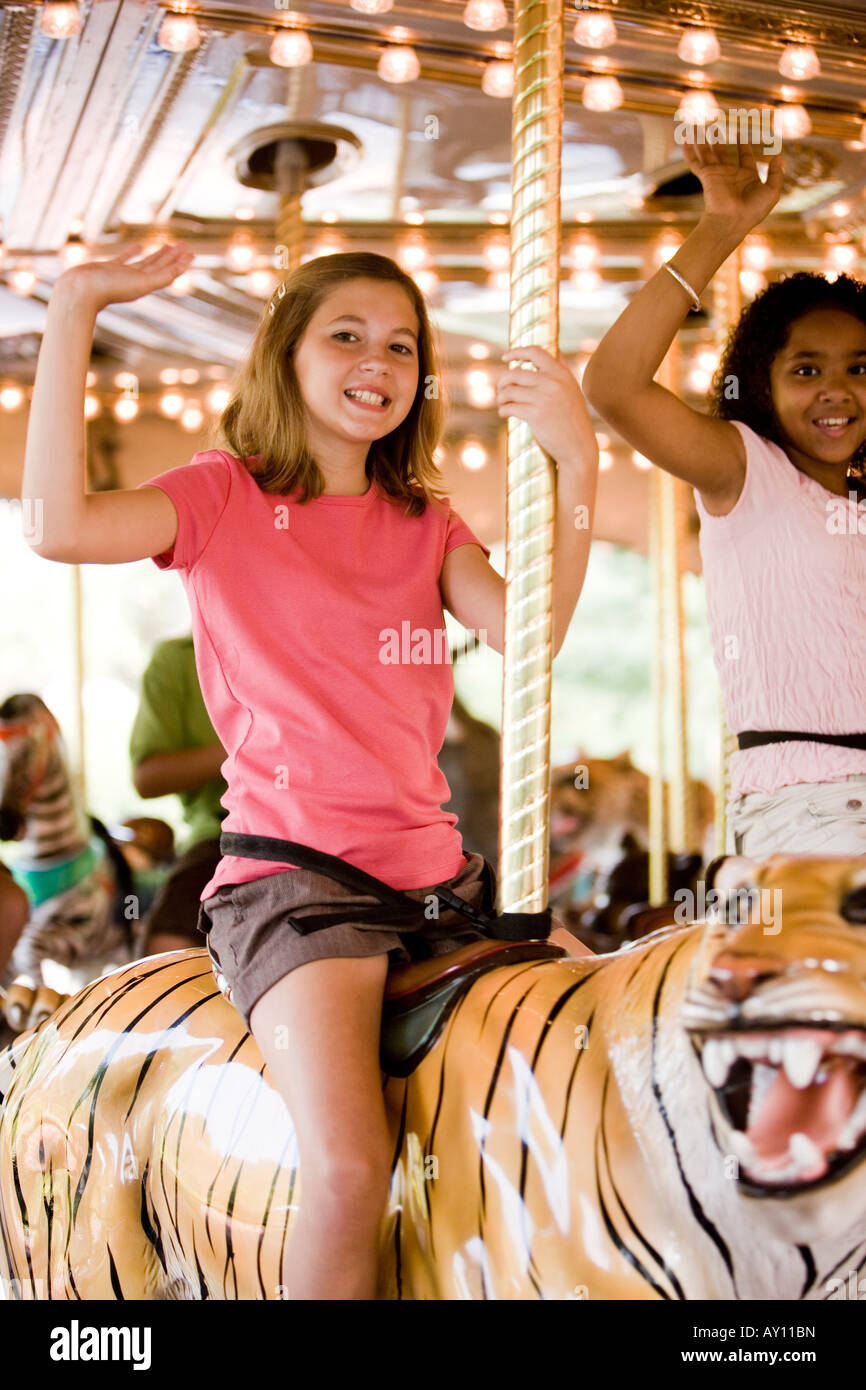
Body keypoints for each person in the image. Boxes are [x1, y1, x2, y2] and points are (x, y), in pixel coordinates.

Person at [22, 242, 598, 1300]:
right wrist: (76, 308)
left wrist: (576, 462)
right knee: (346, 1165)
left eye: (399, 344)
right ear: (285, 354)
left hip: (440, 888)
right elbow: (58, 526)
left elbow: (530, 638)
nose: (374, 361)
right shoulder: (220, 498)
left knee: (606, 1065)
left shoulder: (426, 523)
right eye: (344, 335)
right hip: (299, 886)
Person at [583, 136, 866, 857]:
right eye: (807, 369)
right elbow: (613, 386)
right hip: (805, 807)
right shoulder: (748, 469)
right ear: (760, 382)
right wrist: (721, 230)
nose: (837, 390)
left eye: (860, 368)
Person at [129, 634, 228, 954]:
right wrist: (247, 745)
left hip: (313, 823)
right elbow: (146, 778)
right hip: (221, 828)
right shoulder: (176, 660)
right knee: (164, 953)